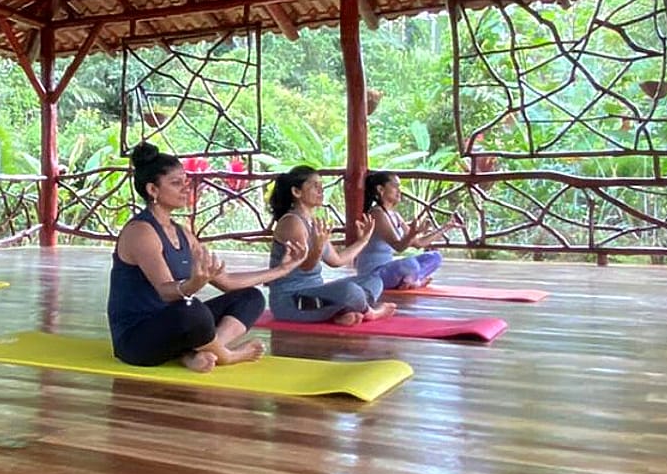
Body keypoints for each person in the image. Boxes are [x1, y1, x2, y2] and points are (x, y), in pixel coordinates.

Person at [107, 143, 306, 373]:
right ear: (153, 190)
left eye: (185, 181)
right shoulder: (141, 232)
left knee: (251, 297)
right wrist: (192, 285)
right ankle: (227, 355)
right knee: (193, 311)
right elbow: (165, 291)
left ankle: (201, 351)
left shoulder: (183, 233)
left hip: (174, 324)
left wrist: (283, 270)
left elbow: (227, 282)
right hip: (136, 340)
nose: (185, 188)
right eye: (176, 183)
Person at [266, 165, 395, 326]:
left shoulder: (313, 223)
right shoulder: (292, 223)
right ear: (296, 192)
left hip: (315, 292)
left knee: (374, 280)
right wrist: (318, 247)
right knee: (350, 291)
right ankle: (369, 312)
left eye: (321, 186)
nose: (321, 190)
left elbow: (337, 260)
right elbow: (305, 266)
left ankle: (343, 312)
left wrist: (363, 240)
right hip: (292, 301)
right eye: (314, 186)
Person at [355, 171, 459, 289]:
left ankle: (409, 280)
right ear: (380, 189)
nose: (399, 191)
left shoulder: (395, 215)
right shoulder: (377, 214)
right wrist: (412, 234)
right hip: (373, 274)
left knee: (435, 257)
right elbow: (398, 247)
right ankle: (414, 280)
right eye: (395, 186)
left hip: (389, 269)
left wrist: (446, 227)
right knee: (409, 264)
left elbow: (419, 243)